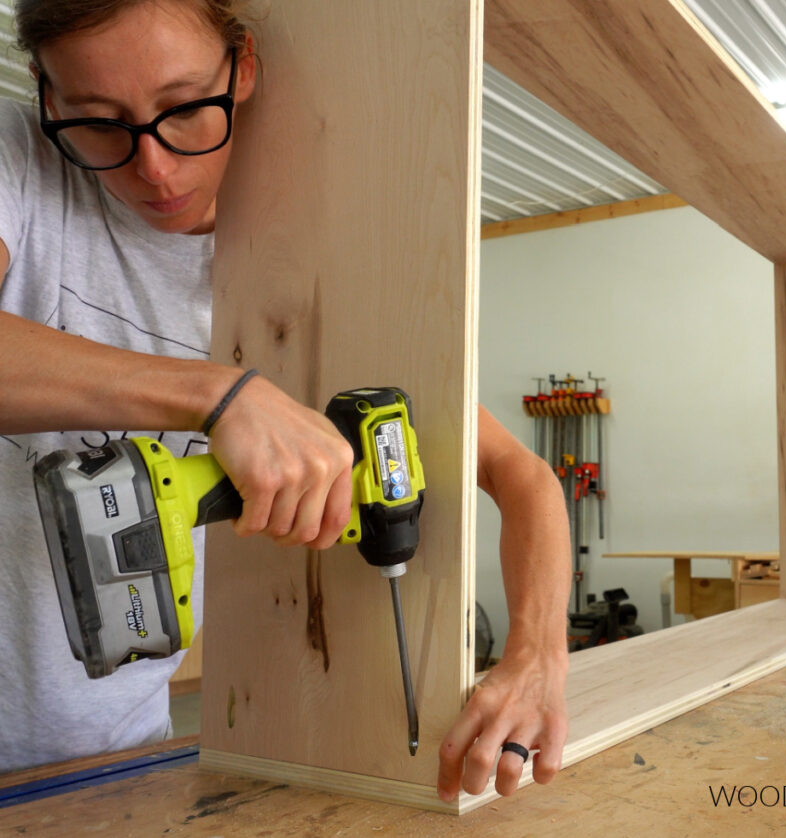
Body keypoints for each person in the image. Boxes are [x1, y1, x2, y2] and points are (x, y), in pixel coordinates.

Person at [0, 0, 570, 802]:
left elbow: (524, 477)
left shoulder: (314, 273)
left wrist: (536, 656)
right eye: (99, 122)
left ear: (244, 70)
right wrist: (219, 396)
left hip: (110, 764)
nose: (154, 166)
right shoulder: (16, 161)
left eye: (185, 107)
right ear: (46, 95)